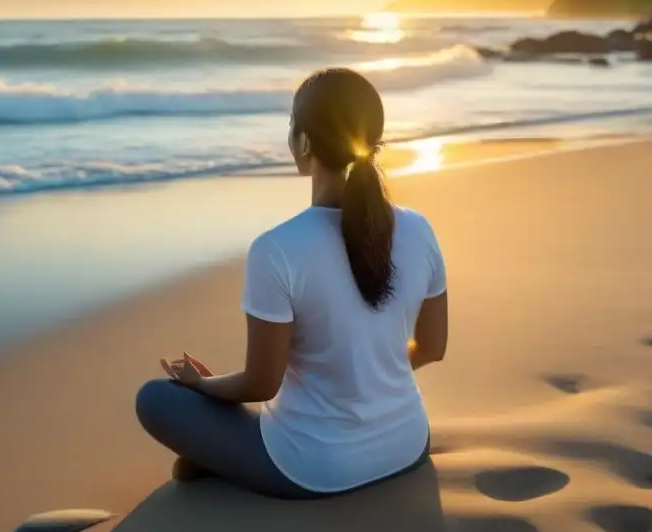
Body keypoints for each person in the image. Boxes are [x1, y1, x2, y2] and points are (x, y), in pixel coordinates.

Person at [135, 67, 448, 499]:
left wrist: (202, 386)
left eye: (291, 125)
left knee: (154, 399)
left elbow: (262, 385)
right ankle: (221, 456)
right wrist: (365, 376)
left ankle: (222, 458)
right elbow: (432, 347)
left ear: (303, 142)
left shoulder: (277, 248)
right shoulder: (419, 228)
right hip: (408, 446)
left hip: (315, 469)